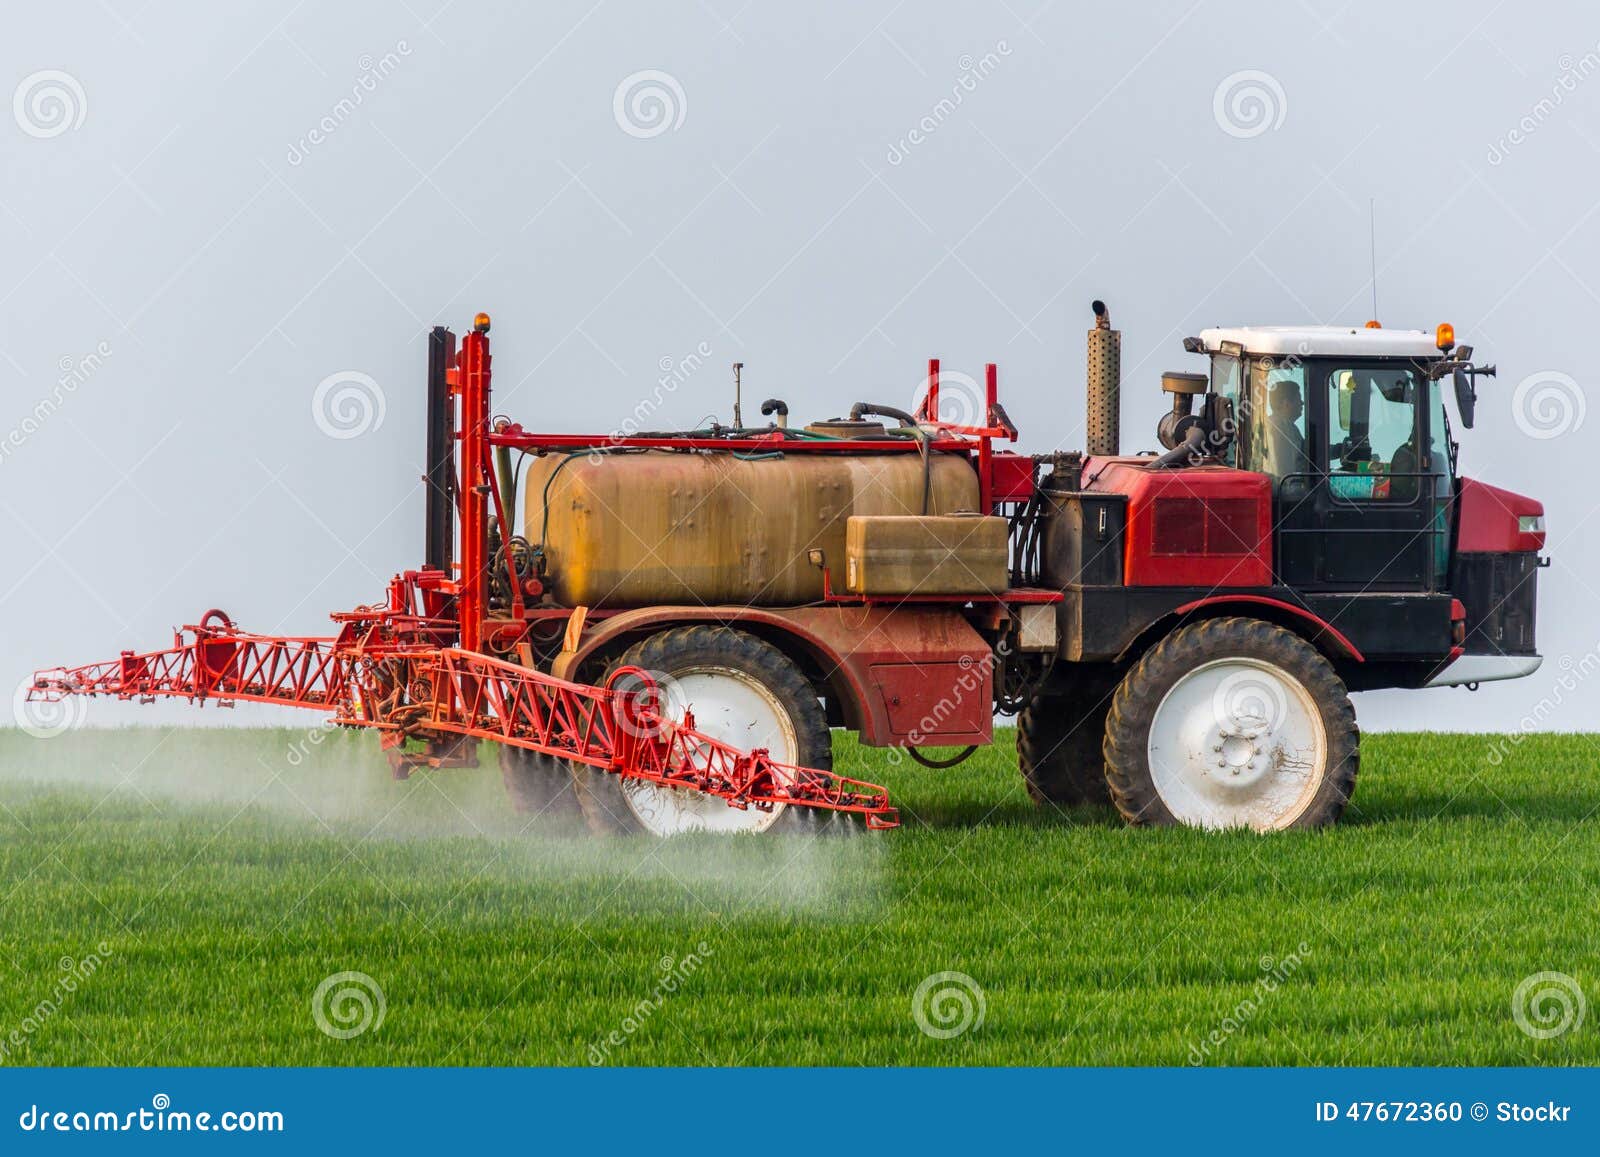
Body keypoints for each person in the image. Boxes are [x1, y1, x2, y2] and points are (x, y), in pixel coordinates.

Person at [1263, 378, 1310, 477]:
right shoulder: (1280, 428)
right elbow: (1285, 473)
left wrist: (1339, 449)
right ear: (1286, 403)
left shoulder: (1290, 427)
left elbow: (1309, 449)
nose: (1302, 403)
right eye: (1298, 399)